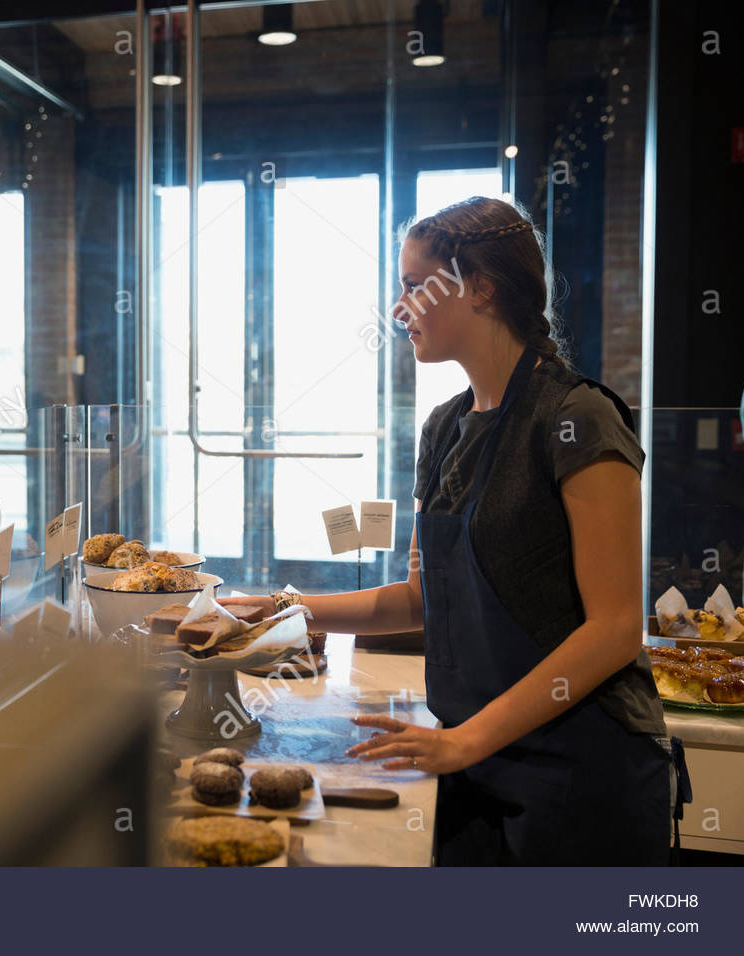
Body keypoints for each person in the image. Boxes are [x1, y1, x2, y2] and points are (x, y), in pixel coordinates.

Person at [226, 198, 677, 865]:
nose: (399, 307)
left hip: (582, 774)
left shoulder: (578, 420)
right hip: (473, 763)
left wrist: (468, 740)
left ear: (481, 288)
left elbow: (613, 630)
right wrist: (283, 609)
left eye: (414, 285)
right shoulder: (444, 427)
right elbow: (419, 599)